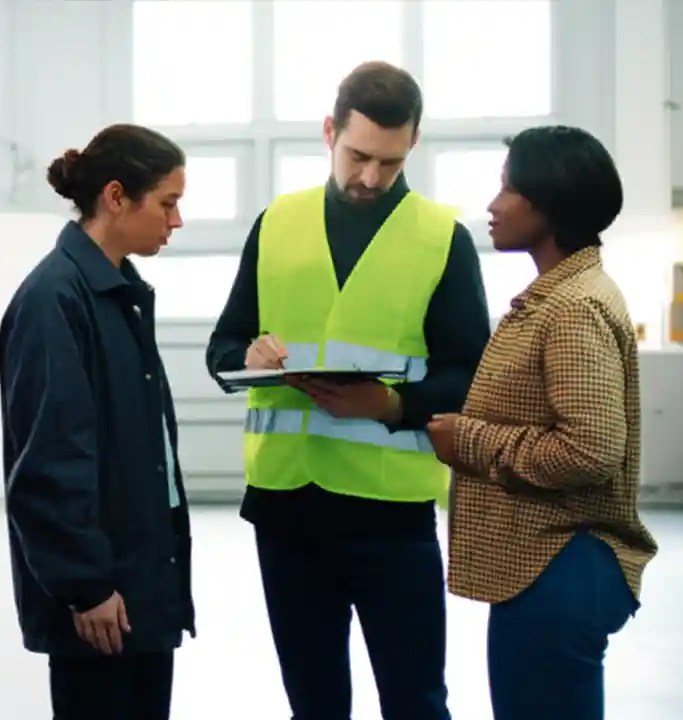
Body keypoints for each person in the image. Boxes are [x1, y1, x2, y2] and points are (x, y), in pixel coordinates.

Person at [206, 60, 489, 720]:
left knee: (415, 701)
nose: (370, 177)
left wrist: (392, 405)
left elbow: (470, 374)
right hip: (285, 513)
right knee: (314, 703)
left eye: (388, 163)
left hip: (390, 517)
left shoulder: (442, 238)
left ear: (413, 143)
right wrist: (245, 354)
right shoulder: (276, 224)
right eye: (358, 155)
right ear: (329, 131)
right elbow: (222, 350)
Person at [426, 125, 659, 720]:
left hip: (560, 567)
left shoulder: (572, 308)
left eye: (507, 189)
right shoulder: (562, 295)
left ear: (547, 206)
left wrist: (468, 440)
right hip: (547, 569)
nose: (492, 205)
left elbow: (589, 450)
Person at [0, 123, 196, 720]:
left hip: (139, 585)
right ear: (116, 197)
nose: (176, 220)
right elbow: (50, 462)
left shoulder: (119, 292)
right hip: (102, 599)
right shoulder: (54, 300)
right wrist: (86, 587)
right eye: (167, 202)